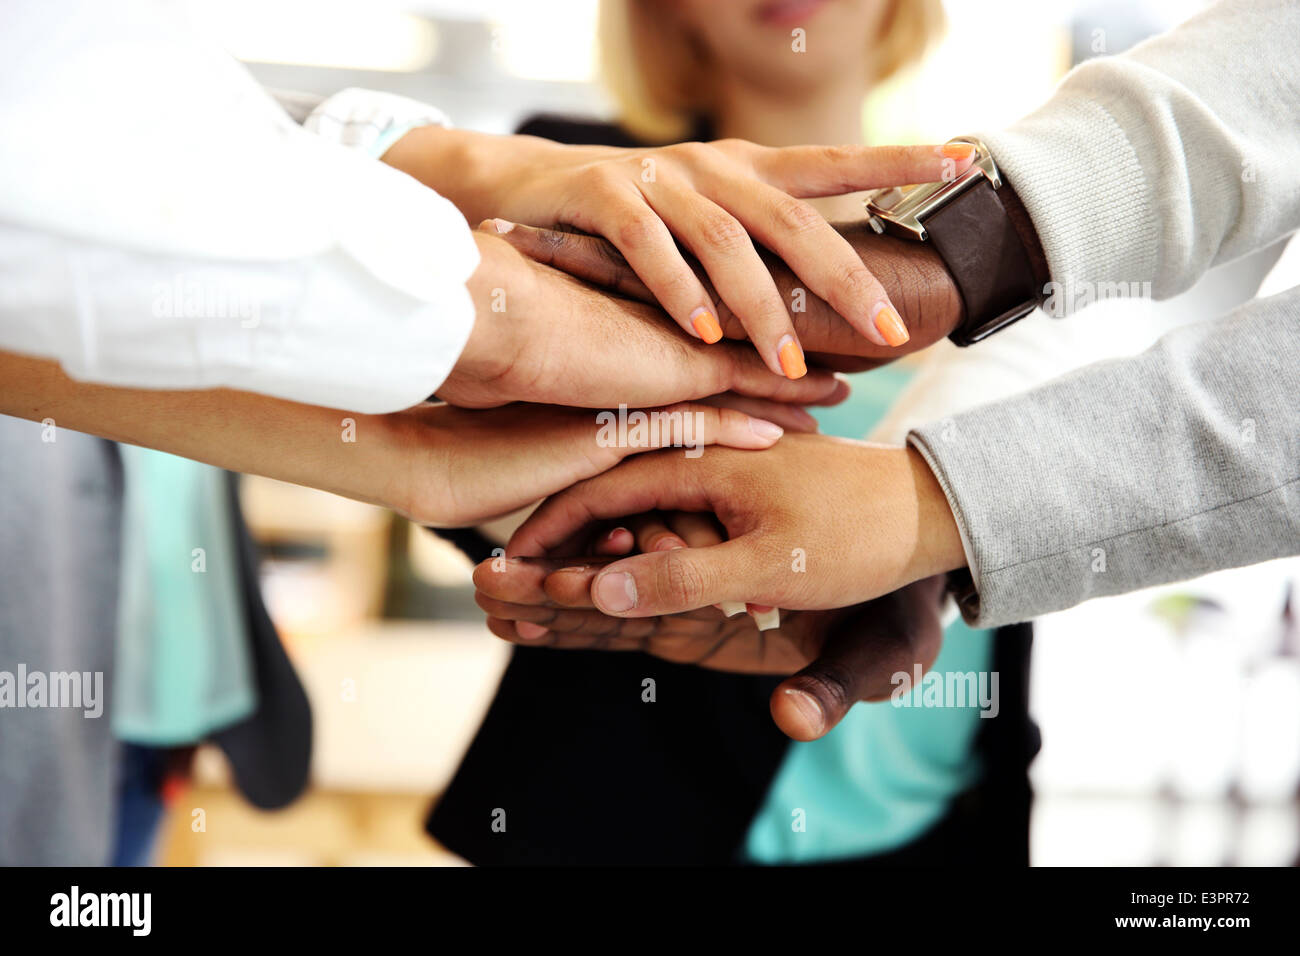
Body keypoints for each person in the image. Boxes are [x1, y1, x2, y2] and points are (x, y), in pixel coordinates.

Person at [480, 0, 1300, 746]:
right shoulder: (572, 175)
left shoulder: (988, 184)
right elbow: (475, 443)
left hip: (941, 795)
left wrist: (928, 547)